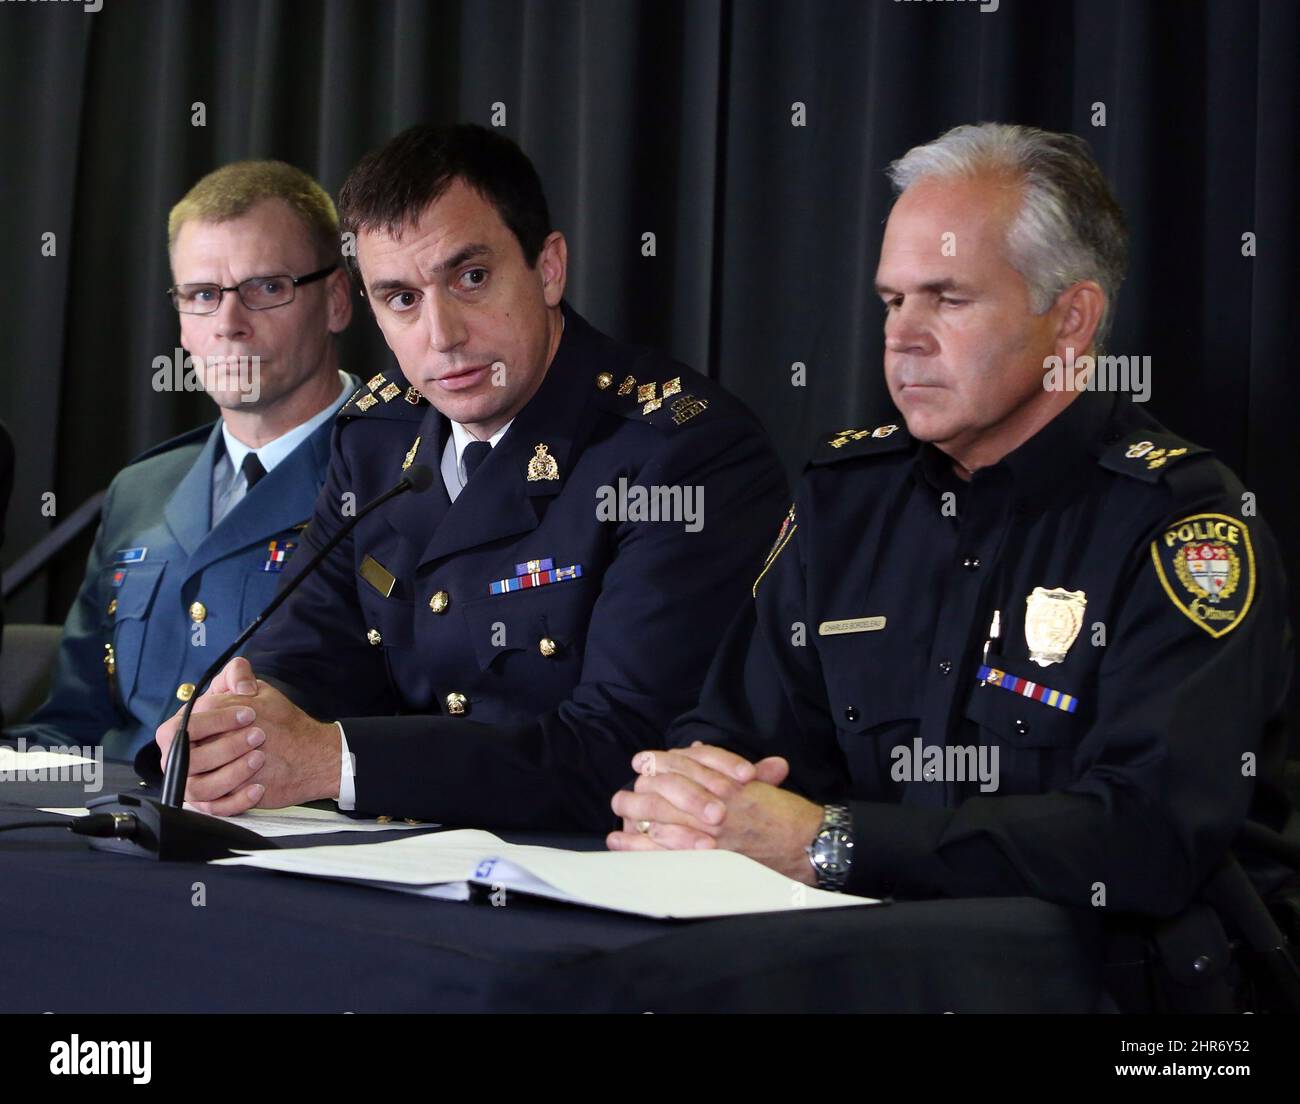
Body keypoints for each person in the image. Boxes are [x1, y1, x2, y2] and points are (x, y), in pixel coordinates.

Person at [609, 123, 1293, 918]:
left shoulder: (1182, 525)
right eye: (894, 300)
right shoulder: (844, 499)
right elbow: (733, 732)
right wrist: (690, 802)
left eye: (949, 298)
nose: (903, 336)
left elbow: (1147, 838)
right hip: (842, 967)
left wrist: (833, 844)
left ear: (1071, 321)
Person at [154, 124, 788, 830]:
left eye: (471, 278)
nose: (442, 333)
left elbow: (627, 751)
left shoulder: (680, 451)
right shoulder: (375, 441)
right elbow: (306, 653)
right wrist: (238, 721)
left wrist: (338, 762)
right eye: (400, 298)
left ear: (548, 268)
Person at [7, 161, 356, 761]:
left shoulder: (403, 472)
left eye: (266, 288)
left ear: (336, 302)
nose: (228, 324)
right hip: (116, 831)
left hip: (289, 837)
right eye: (200, 295)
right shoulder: (141, 490)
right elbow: (70, 731)